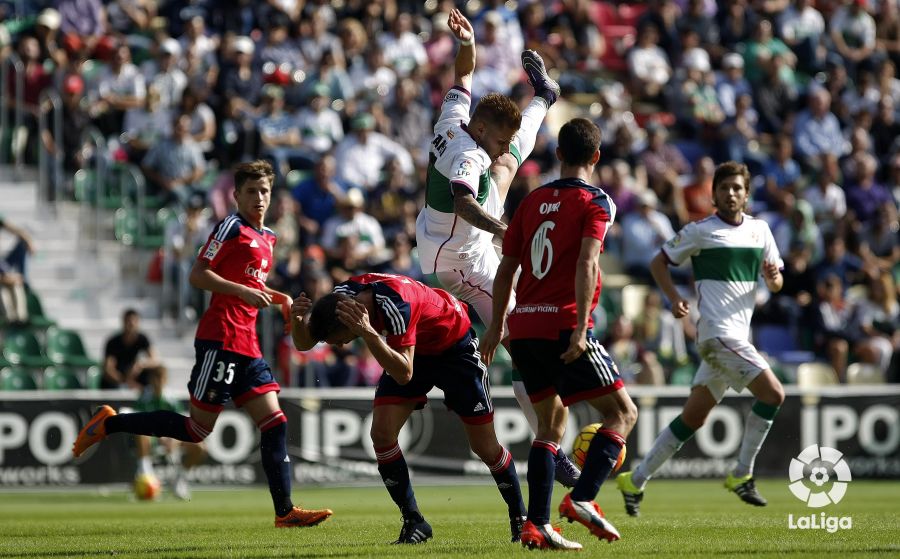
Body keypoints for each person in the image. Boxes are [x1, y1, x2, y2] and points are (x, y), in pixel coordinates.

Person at [73, 161, 332, 528]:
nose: (259, 198)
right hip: (221, 339)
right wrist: (243, 291)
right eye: (252, 192)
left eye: (265, 192)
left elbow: (252, 287)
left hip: (249, 346)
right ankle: (111, 423)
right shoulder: (230, 227)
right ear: (236, 195)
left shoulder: (269, 238)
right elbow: (198, 274)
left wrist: (282, 299)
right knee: (197, 431)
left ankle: (284, 511)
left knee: (275, 422)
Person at [413, 8, 581, 487]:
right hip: (460, 260)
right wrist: (508, 231)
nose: (500, 145)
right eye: (498, 138)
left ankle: (544, 97)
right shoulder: (468, 155)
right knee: (520, 343)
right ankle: (551, 448)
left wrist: (465, 40)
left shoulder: (456, 118)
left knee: (507, 167)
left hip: (454, 234)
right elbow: (466, 204)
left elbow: (462, 71)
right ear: (483, 131)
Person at [480, 118, 637, 550]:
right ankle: (582, 499)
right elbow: (588, 263)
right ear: (597, 157)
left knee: (550, 424)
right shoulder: (597, 201)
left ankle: (537, 524)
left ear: (559, 154)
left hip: (524, 326)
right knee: (623, 413)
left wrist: (496, 326)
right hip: (564, 323)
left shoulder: (530, 201)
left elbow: (506, 268)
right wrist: (583, 328)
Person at [291, 273, 526, 544]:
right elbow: (304, 342)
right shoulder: (341, 300)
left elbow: (404, 373)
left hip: (454, 349)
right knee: (381, 434)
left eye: (342, 339)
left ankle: (520, 517)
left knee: (485, 447)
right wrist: (298, 322)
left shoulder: (396, 304)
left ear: (350, 322)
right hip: (412, 352)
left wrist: (368, 333)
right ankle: (415, 521)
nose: (344, 344)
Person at [616, 161, 786, 516]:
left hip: (738, 337)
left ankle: (635, 480)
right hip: (717, 336)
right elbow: (658, 263)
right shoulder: (700, 231)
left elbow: (776, 283)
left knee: (694, 418)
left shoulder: (761, 231)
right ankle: (742, 473)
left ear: (746, 193)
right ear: (714, 194)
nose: (731, 193)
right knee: (774, 393)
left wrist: (772, 279)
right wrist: (674, 298)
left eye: (737, 187)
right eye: (724, 187)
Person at [133, 365, 206, 500]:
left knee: (199, 447)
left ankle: (180, 480)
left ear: (166, 380)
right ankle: (146, 477)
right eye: (156, 378)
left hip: (170, 439)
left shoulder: (171, 399)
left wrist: (174, 440)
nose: (159, 382)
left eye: (162, 379)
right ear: (151, 380)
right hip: (149, 439)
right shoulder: (144, 399)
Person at [102, 309, 159, 389]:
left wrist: (140, 364)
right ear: (123, 322)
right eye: (128, 321)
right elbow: (109, 368)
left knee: (154, 372)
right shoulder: (113, 342)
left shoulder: (143, 339)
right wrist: (124, 381)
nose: (131, 324)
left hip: (133, 375)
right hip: (118, 378)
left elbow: (154, 360)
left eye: (134, 321)